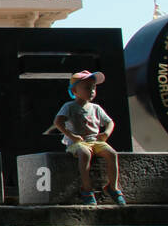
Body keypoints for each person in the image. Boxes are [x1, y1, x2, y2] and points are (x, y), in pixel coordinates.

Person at [53, 70, 126, 206]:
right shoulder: (69, 106)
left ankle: (113, 187)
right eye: (87, 88)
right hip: (78, 142)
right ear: (74, 90)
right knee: (84, 154)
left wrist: (106, 133)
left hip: (95, 140)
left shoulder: (96, 108)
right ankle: (87, 189)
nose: (91, 91)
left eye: (94, 88)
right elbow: (58, 122)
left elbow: (109, 122)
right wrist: (71, 135)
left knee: (111, 154)